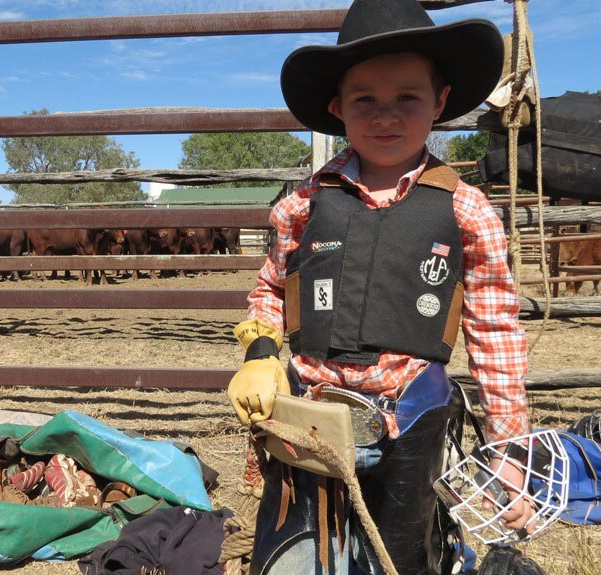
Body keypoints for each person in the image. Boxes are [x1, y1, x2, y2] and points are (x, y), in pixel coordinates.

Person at [226, 0, 532, 573]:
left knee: (401, 555)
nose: (385, 115)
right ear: (338, 106)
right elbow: (271, 290)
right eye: (365, 99)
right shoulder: (303, 205)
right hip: (308, 414)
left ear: (439, 102)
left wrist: (508, 447)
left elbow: (494, 331)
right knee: (291, 550)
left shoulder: (467, 212)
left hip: (409, 418)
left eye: (407, 98)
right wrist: (263, 354)